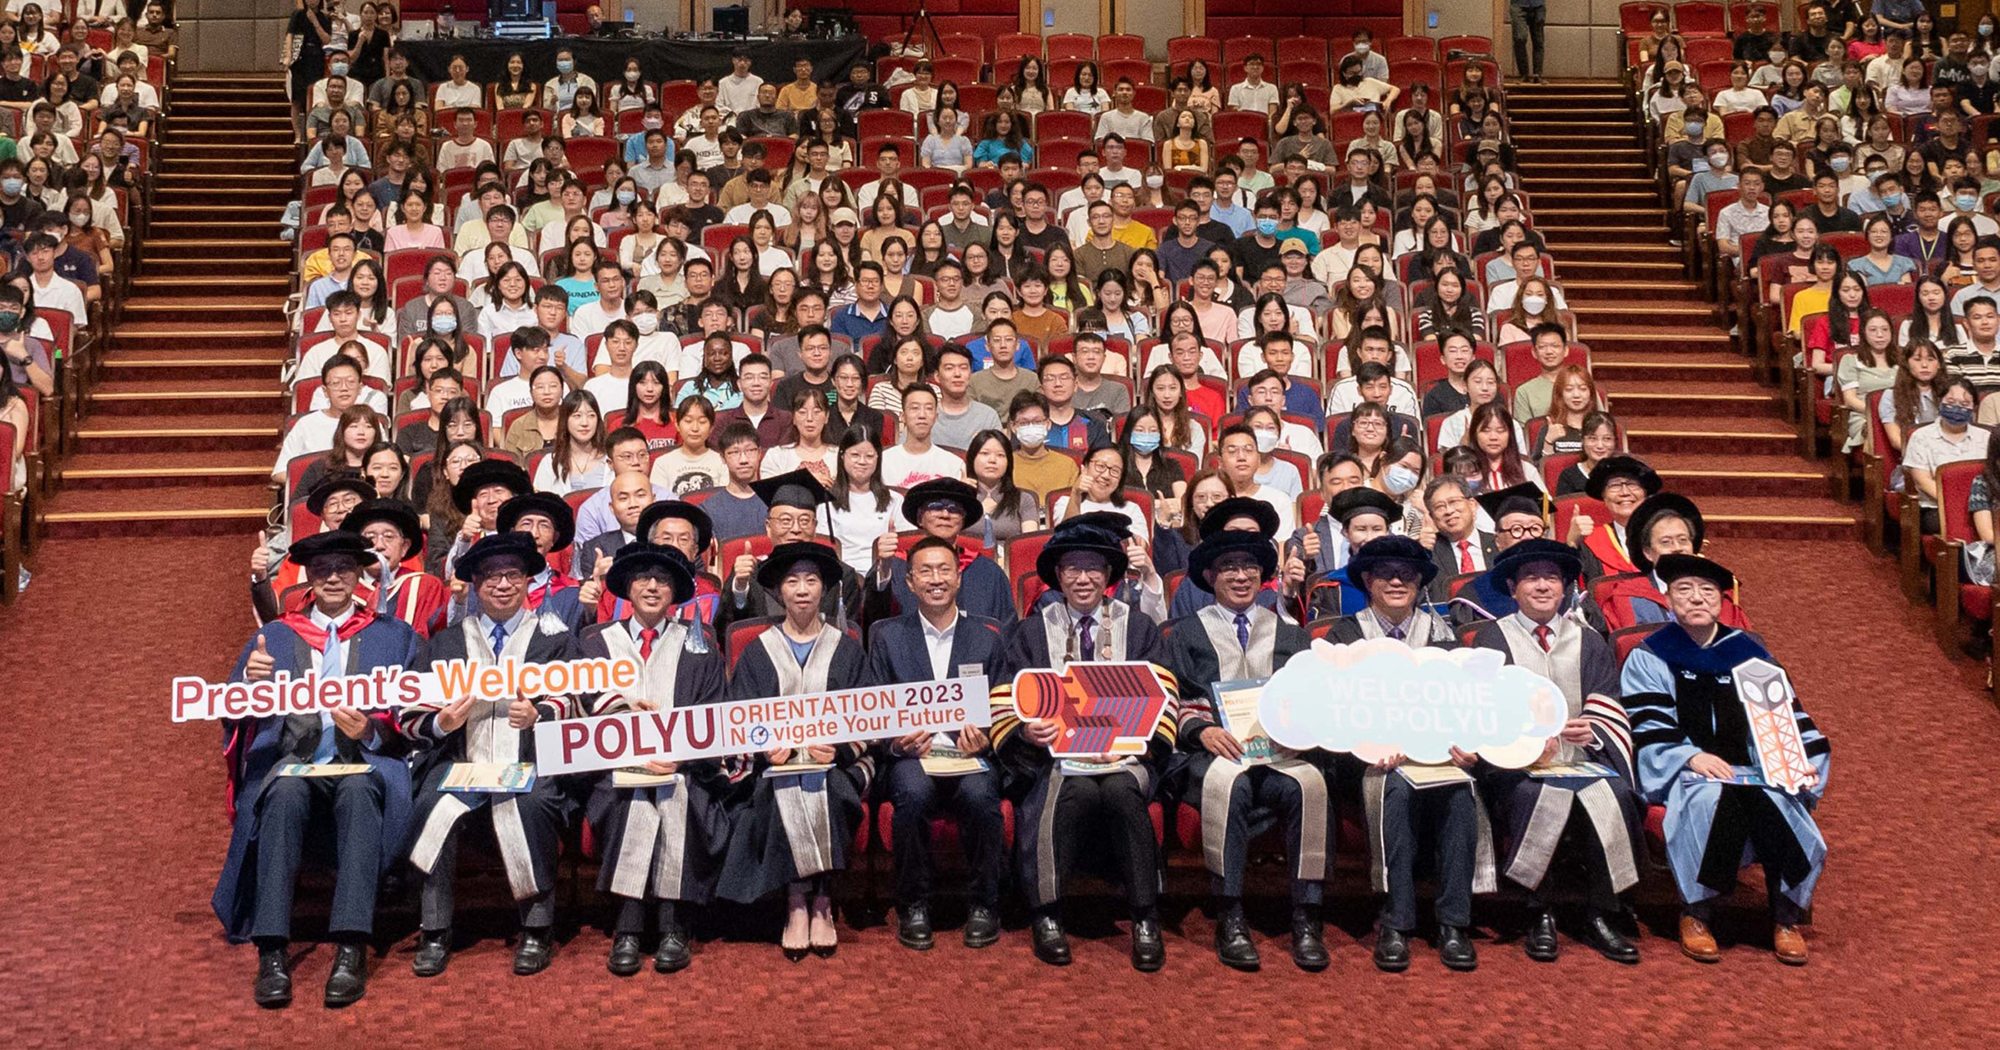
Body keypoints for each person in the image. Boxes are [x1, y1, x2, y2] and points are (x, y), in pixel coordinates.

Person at [212, 531, 421, 1008]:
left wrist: (370, 730)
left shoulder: (393, 635)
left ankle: (350, 946)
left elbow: (415, 713)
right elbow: (231, 713)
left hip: (363, 763)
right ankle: (272, 950)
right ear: (307, 575)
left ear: (357, 575)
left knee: (360, 793)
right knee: (283, 795)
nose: (332, 577)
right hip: (293, 762)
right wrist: (249, 684)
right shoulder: (277, 636)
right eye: (322, 569)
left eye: (343, 568)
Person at [990, 514, 1179, 971]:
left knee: (1119, 789)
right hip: (1054, 759)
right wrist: (1025, 729)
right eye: (1072, 568)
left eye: (1093, 568)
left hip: (1124, 755)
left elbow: (1166, 693)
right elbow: (1004, 697)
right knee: (1066, 789)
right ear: (1057, 575)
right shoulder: (1032, 630)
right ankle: (1047, 913)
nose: (1083, 578)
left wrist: (1134, 746)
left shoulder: (1138, 628)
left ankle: (1144, 917)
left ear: (1110, 575)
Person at [1625, 554, 1831, 966]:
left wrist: (1797, 764)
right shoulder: (1651, 656)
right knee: (1707, 805)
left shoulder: (1750, 657)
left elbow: (1788, 720)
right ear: (1667, 599)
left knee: (1782, 805)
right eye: (1684, 590)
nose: (1697, 598)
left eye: (1707, 591)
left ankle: (1785, 918)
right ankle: (1696, 914)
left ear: (1723, 600)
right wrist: (1690, 756)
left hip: (1755, 770)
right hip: (1692, 772)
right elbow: (1649, 722)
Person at [401, 533, 579, 978]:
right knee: (430, 805)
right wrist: (442, 722)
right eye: (491, 577)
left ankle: (537, 928)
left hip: (531, 761)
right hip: (463, 760)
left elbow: (578, 699)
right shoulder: (445, 644)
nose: (503, 584)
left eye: (513, 575)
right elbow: (408, 715)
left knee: (534, 801)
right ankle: (435, 928)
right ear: (475, 585)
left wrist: (540, 713)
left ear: (527, 582)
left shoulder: (552, 639)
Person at [1467, 539, 1645, 964]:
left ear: (1565, 587)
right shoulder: (1492, 638)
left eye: (1552, 577)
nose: (1542, 586)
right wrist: (1521, 741)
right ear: (1513, 588)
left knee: (1616, 795)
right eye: (1531, 578)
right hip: (1518, 767)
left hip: (1580, 760)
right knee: (1534, 796)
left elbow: (1609, 703)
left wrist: (1595, 730)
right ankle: (1538, 911)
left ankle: (1603, 912)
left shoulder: (1588, 640)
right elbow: (1479, 709)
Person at [1161, 530, 1329, 972]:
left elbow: (1308, 698)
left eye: (1250, 568)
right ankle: (1230, 913)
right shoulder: (1183, 633)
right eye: (1230, 568)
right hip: (1214, 753)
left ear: (1262, 576)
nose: (1241, 576)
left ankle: (1307, 915)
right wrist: (1201, 731)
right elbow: (1171, 700)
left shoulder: (1290, 634)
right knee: (1227, 787)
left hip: (1278, 753)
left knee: (1308, 787)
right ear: (1211, 577)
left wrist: (1296, 731)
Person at [1324, 535, 1483, 972]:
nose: (1397, 581)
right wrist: (1370, 749)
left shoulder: (1443, 635)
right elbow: (1334, 711)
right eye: (1386, 574)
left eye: (1407, 575)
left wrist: (1463, 748)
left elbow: (1460, 705)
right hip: (1370, 763)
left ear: (1419, 583)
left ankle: (1454, 922)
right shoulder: (1345, 635)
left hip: (1436, 759)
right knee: (1394, 789)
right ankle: (1397, 921)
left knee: (1460, 792)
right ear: (1368, 581)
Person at [578, 542, 732, 975]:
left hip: (683, 770)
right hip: (613, 771)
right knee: (632, 797)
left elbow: (711, 716)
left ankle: (671, 926)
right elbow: (580, 707)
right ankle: (628, 926)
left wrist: (679, 760)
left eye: (662, 579)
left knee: (674, 793)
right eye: (642, 578)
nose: (651, 586)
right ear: (626, 587)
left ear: (675, 591)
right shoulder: (594, 642)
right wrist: (627, 747)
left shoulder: (699, 645)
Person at [717, 542, 870, 959]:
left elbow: (871, 720)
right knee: (779, 791)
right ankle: (797, 899)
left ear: (824, 590)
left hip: (831, 765)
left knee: (833, 790)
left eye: (812, 580)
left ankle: (821, 900)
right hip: (773, 768)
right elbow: (738, 721)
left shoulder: (848, 648)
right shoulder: (757, 651)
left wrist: (838, 749)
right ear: (778, 592)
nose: (802, 589)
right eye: (791, 581)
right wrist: (766, 750)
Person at [867, 536, 1008, 951]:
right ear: (909, 582)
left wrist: (986, 740)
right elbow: (875, 707)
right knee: (910, 794)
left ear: (958, 578)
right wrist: (896, 743)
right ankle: (914, 904)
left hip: (969, 754)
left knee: (983, 797)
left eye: (944, 570)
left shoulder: (987, 639)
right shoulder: (888, 637)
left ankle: (984, 904)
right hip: (915, 755)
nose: (936, 580)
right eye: (925, 571)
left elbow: (1003, 709)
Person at [1574, 455, 1664, 577]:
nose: (1625, 493)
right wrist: (1572, 543)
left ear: (1645, 495)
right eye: (1614, 486)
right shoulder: (1591, 542)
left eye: (1632, 484)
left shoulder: (1665, 538)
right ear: (1604, 498)